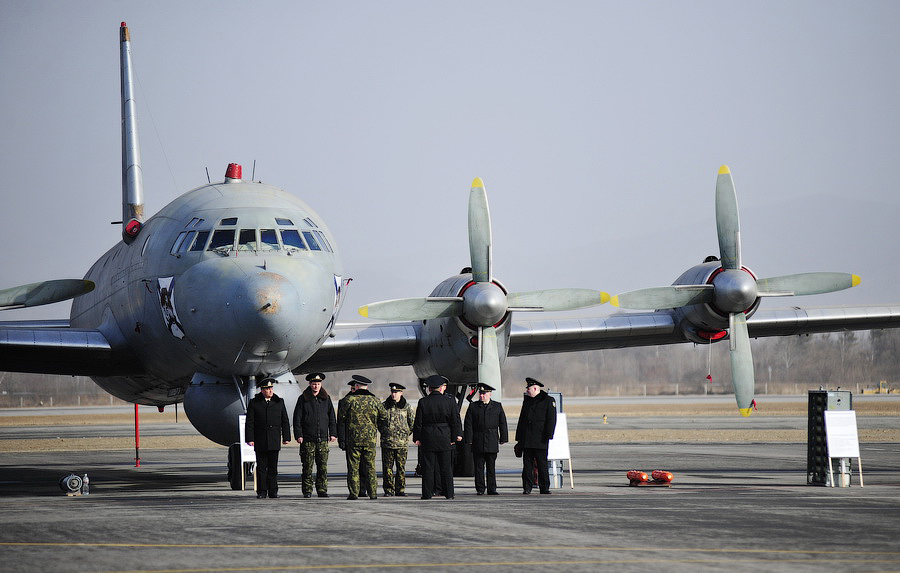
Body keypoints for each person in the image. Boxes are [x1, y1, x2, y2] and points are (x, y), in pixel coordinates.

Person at [337, 374, 387, 500]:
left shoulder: (348, 400)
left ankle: (354, 493)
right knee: (370, 466)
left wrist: (342, 439)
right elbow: (384, 418)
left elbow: (341, 420)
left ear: (356, 386)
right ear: (367, 387)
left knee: (353, 467)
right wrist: (376, 428)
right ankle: (373, 493)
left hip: (353, 440)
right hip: (370, 440)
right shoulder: (375, 401)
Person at [413, 375, 462, 500]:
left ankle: (427, 494)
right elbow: (455, 420)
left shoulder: (423, 402)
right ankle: (449, 493)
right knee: (446, 468)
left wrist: (417, 438)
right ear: (441, 388)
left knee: (428, 468)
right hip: (445, 437)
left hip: (428, 437)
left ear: (429, 389)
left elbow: (418, 422)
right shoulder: (449, 401)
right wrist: (455, 437)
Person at [244, 378, 291, 499]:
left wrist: (286, 437)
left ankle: (273, 491)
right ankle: (262, 491)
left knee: (273, 468)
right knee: (261, 468)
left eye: (271, 388)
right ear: (262, 390)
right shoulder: (255, 403)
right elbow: (250, 422)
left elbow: (284, 420)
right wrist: (250, 438)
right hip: (260, 440)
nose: (270, 391)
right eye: (267, 389)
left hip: (274, 440)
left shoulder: (279, 402)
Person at [293, 372, 337, 498]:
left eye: (318, 384)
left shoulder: (326, 399)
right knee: (307, 467)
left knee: (322, 467)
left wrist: (333, 433)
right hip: (307, 439)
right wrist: (299, 435)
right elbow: (297, 418)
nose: (316, 386)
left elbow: (331, 417)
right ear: (310, 384)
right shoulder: (303, 399)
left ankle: (322, 489)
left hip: (322, 439)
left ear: (320, 384)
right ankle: (307, 490)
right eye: (314, 384)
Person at [464, 383, 508, 495]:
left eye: (484, 394)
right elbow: (468, 424)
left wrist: (503, 438)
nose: (481, 396)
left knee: (491, 466)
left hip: (492, 439)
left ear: (490, 394)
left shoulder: (497, 406)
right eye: (480, 393)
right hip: (478, 440)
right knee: (478, 467)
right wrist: (468, 439)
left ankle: (492, 488)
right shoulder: (473, 406)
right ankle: (480, 488)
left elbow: (502, 423)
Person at [515, 377, 557, 495]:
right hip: (527, 439)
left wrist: (548, 435)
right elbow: (522, 420)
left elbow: (551, 419)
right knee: (527, 466)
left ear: (534, 388)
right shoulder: (527, 401)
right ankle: (527, 487)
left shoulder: (548, 400)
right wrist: (519, 438)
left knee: (542, 464)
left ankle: (544, 487)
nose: (526, 390)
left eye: (528, 388)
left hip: (540, 439)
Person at [380, 382, 415, 497]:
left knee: (401, 468)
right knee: (387, 468)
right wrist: (385, 432)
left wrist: (404, 434)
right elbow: (379, 422)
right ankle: (388, 490)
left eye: (396, 392)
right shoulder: (384, 406)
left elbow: (412, 423)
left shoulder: (407, 407)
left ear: (401, 393)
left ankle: (400, 489)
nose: (393, 394)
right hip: (387, 442)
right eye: (392, 392)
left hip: (401, 443)